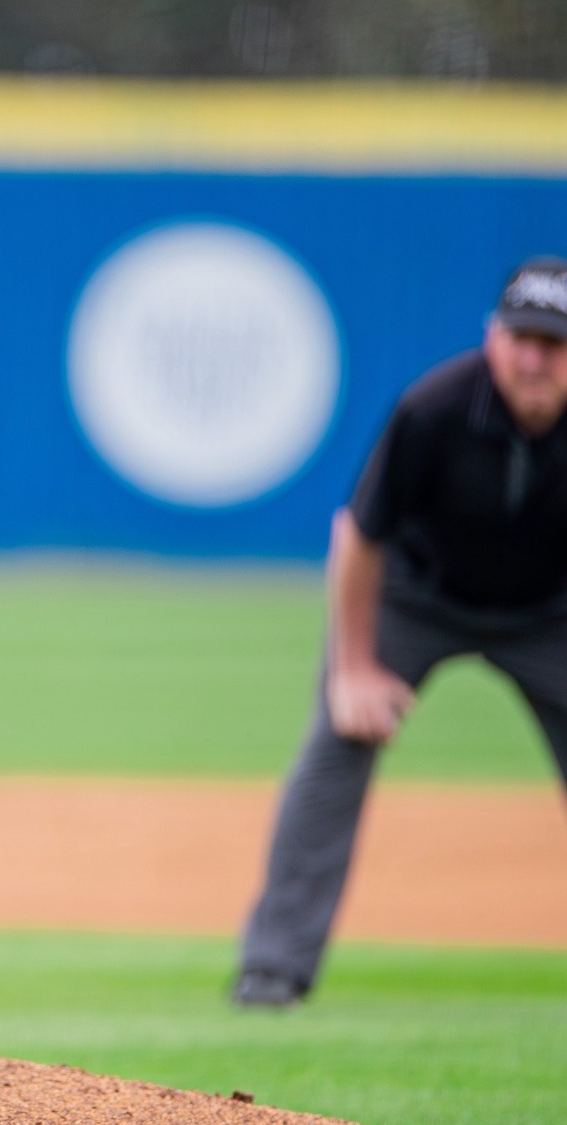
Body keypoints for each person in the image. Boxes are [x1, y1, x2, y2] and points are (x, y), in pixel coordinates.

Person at [234, 256, 567, 1008]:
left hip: (551, 612)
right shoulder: (434, 408)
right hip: (419, 597)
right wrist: (352, 667)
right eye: (521, 338)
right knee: (338, 740)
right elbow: (360, 533)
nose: (533, 359)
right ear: (493, 338)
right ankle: (274, 965)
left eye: (553, 344)